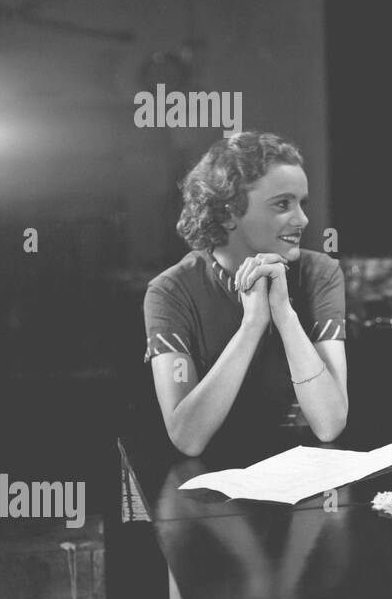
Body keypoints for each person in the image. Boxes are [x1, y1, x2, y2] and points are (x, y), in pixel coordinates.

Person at [143, 132, 347, 456]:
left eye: (301, 203)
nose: (303, 219)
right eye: (282, 204)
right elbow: (187, 438)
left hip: (304, 480)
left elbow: (329, 424)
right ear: (227, 213)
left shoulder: (321, 274)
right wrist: (252, 324)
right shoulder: (169, 292)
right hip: (209, 488)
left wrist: (285, 316)